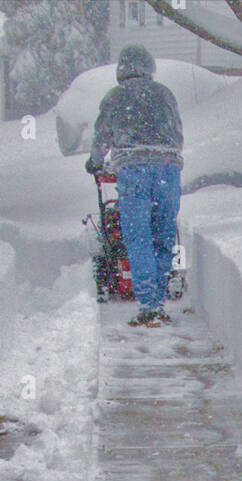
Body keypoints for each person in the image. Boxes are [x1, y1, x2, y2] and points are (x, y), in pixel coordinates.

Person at [86, 45, 183, 327]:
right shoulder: (165, 94)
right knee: (163, 235)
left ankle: (147, 304)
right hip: (168, 169)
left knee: (138, 236)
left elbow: (102, 136)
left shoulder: (115, 97)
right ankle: (159, 301)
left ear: (122, 69)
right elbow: (178, 134)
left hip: (134, 169)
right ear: (149, 67)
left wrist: (95, 161)